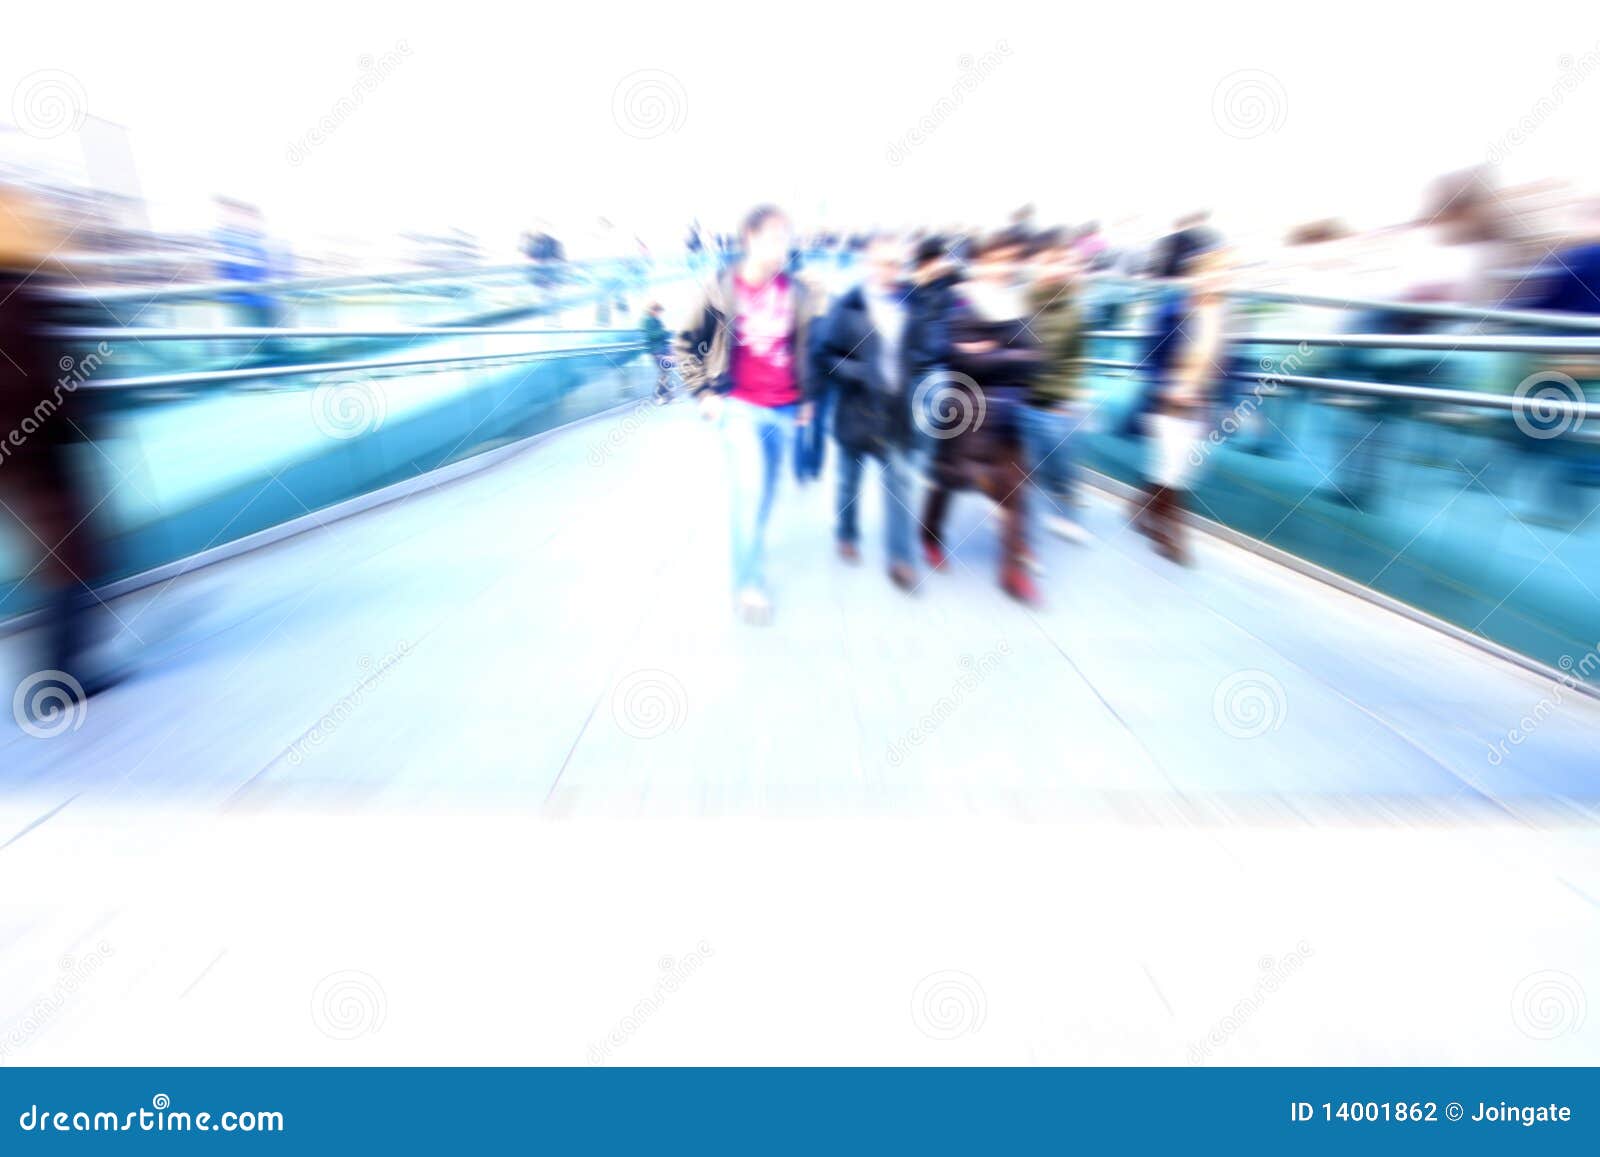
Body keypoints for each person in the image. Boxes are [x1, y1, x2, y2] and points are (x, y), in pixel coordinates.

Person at [673, 205, 820, 623]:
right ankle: (748, 584)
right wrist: (703, 392)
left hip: (785, 408)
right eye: (773, 237)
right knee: (750, 489)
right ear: (749, 239)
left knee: (767, 492)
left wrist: (807, 399)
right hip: (738, 406)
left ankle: (750, 543)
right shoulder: (721, 288)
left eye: (785, 237)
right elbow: (685, 342)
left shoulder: (798, 293)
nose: (781, 246)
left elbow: (805, 349)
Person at [0, 184, 115, 709]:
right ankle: (62, 677)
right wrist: (74, 414)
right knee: (72, 550)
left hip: (25, 443)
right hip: (34, 445)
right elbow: (37, 374)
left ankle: (64, 670)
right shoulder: (20, 290)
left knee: (63, 552)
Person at [919, 228, 1043, 604]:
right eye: (996, 258)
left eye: (1010, 259)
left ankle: (1012, 569)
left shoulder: (1017, 302)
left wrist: (993, 353)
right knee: (949, 480)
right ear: (982, 261)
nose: (1004, 266)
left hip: (1006, 416)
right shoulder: (962, 300)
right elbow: (957, 356)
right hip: (965, 414)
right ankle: (930, 534)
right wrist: (1007, 355)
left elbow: (1035, 358)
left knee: (1015, 489)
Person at [812, 234, 934, 592]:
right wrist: (860, 372)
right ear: (867, 265)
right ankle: (846, 532)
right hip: (856, 411)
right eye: (882, 263)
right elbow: (824, 357)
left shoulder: (914, 304)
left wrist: (915, 371)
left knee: (900, 485)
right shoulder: (847, 306)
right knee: (849, 481)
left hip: (897, 413)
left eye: (896, 264)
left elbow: (927, 350)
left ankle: (901, 558)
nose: (889, 271)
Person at [1136, 246, 1231, 564]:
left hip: (1201, 406)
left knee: (1178, 469)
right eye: (1209, 273)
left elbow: (1232, 364)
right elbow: (1147, 356)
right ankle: (1173, 535)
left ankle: (1143, 509)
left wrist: (1233, 401)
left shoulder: (1225, 316)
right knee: (1175, 470)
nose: (1215, 280)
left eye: (1222, 274)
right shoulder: (1171, 311)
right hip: (1167, 403)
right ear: (1194, 276)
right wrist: (1167, 387)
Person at [1019, 230, 1090, 552]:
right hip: (1019, 396)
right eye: (1048, 261)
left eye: (1061, 261)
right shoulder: (1020, 301)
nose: (1054, 268)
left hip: (1054, 401)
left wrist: (1066, 396)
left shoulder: (1075, 310)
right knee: (1021, 464)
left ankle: (1066, 512)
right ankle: (1015, 521)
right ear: (1035, 264)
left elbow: (1076, 358)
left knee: (1061, 462)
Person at [640, 302, 673, 404]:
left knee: (665, 372)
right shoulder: (648, 320)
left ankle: (666, 397)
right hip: (656, 350)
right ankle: (658, 396)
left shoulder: (656, 320)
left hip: (662, 349)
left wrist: (666, 334)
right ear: (653, 310)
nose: (660, 314)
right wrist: (664, 332)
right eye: (659, 311)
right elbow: (651, 335)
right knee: (664, 372)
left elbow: (662, 335)